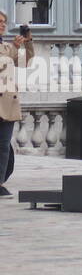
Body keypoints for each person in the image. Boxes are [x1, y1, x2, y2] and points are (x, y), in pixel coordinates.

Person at [0, 11, 36, 198]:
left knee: (4, 145)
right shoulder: (8, 48)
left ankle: (0, 183)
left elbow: (26, 61)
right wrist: (14, 47)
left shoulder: (7, 47)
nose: (3, 25)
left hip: (8, 103)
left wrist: (28, 41)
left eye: (4, 22)